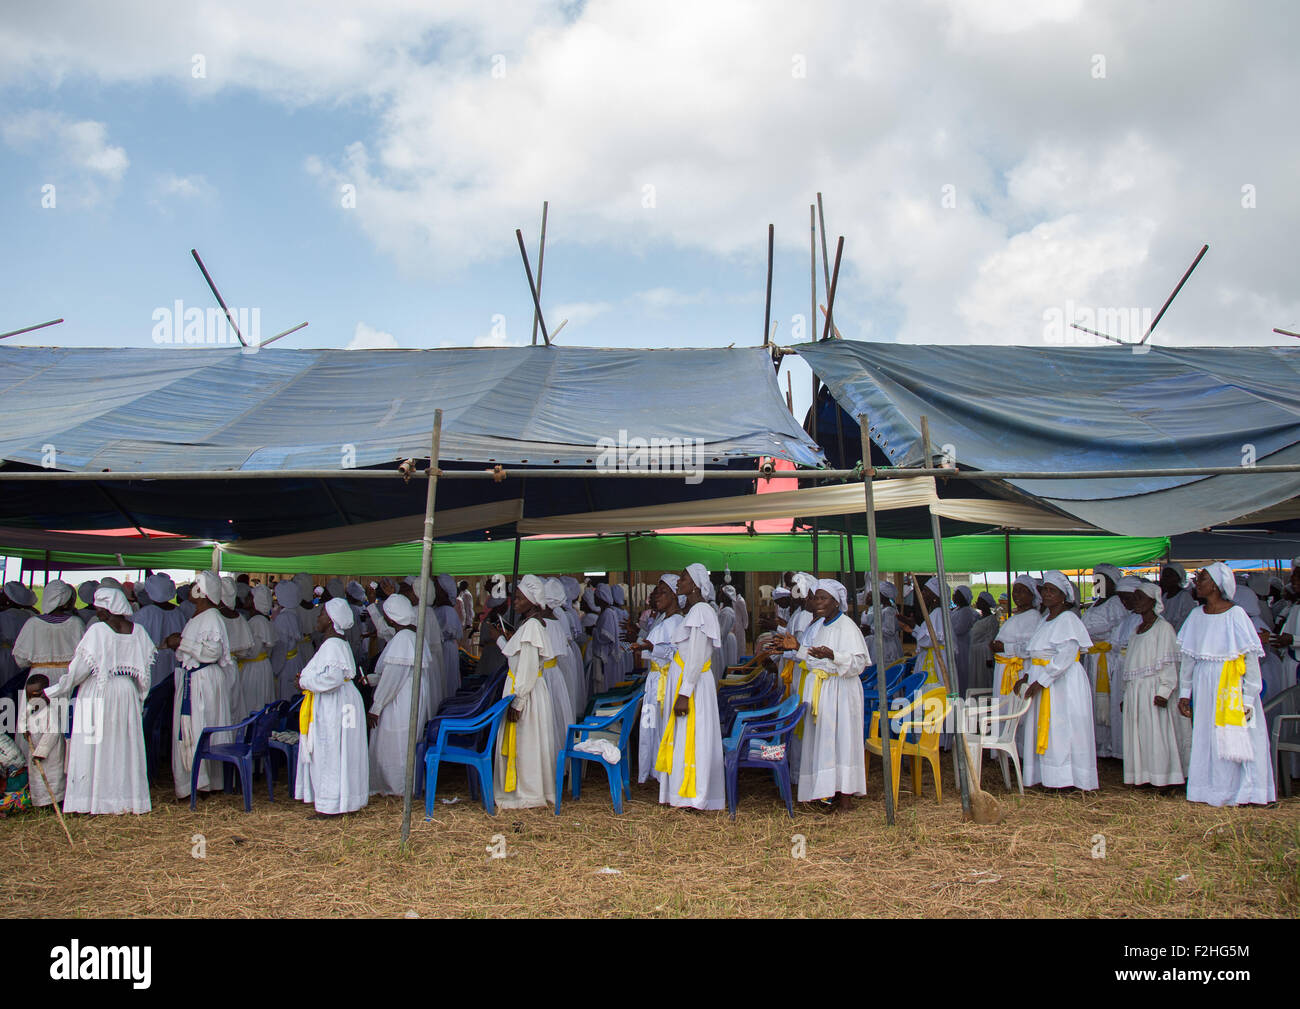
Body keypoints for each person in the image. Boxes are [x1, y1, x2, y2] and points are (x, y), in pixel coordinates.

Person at [48, 587, 154, 814]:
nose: (97, 613)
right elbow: (145, 675)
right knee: (122, 745)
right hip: (126, 692)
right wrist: (139, 697)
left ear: (106, 609)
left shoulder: (98, 631)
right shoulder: (139, 632)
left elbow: (80, 669)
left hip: (99, 690)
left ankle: (91, 801)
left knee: (93, 744)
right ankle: (124, 800)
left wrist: (59, 689)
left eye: (99, 609)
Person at [1176, 563, 1275, 807]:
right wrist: (1184, 693)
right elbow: (1188, 658)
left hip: (1231, 686)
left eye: (1204, 579)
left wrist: (1249, 697)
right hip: (1204, 683)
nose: (1198, 583)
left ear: (1218, 585)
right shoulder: (1196, 616)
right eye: (1198, 578)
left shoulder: (1237, 615)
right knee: (1209, 737)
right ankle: (1211, 791)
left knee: (1239, 739)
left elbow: (1250, 661)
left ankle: (1246, 793)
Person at [773, 578, 866, 810]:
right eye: (815, 598)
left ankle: (845, 798)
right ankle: (826, 793)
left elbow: (858, 662)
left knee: (842, 742)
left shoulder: (847, 626)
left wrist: (834, 656)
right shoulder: (820, 626)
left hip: (841, 691)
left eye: (823, 598)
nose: (817, 603)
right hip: (823, 692)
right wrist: (797, 648)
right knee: (825, 743)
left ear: (836, 602)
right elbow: (815, 656)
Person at [1015, 570, 1098, 791]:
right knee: (1046, 729)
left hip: (1062, 683)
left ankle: (1067, 779)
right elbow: (1037, 653)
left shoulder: (1068, 619)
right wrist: (1026, 676)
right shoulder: (1044, 620)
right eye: (1045, 590)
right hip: (1043, 678)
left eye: (1053, 591)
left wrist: (1041, 680)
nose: (1047, 594)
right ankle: (1047, 777)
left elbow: (1066, 655)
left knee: (1063, 728)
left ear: (1064, 596)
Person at [655, 563, 725, 811]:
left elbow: (696, 657)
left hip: (691, 685)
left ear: (695, 584)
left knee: (691, 737)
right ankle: (680, 794)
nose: (678, 582)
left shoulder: (701, 612)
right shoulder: (694, 611)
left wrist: (685, 693)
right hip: (685, 680)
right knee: (683, 736)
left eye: (683, 578)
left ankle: (692, 795)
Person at [295, 599, 368, 816]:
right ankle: (342, 799)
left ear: (331, 619)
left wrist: (304, 682)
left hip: (335, 704)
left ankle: (330, 803)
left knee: (330, 749)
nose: (318, 618)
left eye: (321, 615)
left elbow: (332, 679)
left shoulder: (333, 645)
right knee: (341, 748)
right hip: (342, 702)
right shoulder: (337, 644)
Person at [490, 575, 557, 810]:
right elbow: (519, 659)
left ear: (531, 600)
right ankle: (525, 791)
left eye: (519, 598)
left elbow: (527, 669)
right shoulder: (530, 626)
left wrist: (518, 702)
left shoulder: (531, 628)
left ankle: (526, 794)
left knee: (525, 743)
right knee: (527, 743)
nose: (514, 601)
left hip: (526, 695)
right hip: (527, 692)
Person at [168, 571, 236, 800]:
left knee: (200, 728)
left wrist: (182, 643)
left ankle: (202, 783)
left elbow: (212, 652)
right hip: (193, 680)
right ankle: (194, 783)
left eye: (195, 584)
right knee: (191, 729)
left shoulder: (212, 618)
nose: (190, 587)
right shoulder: (198, 616)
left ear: (202, 591)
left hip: (203, 681)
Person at [367, 594, 437, 795]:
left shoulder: (403, 639)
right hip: (409, 695)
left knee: (394, 742)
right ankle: (404, 783)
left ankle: (396, 786)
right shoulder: (413, 636)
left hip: (400, 699)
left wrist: (376, 706)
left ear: (391, 618)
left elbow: (392, 679)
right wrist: (372, 679)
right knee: (405, 741)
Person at [1119, 580, 1184, 787]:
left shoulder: (1164, 628)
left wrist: (1165, 691)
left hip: (1154, 690)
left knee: (1158, 735)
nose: (1135, 601)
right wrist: (1125, 693)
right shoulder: (1136, 630)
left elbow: (1170, 661)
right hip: (1136, 690)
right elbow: (1130, 664)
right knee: (1140, 736)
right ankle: (1144, 777)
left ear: (1152, 601)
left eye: (1140, 598)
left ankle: (1164, 779)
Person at [630, 575, 683, 785]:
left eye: (662, 592)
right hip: (654, 680)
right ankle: (652, 770)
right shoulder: (663, 619)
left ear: (674, 596)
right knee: (651, 727)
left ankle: (664, 774)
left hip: (665, 681)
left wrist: (652, 648)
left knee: (661, 726)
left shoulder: (678, 622)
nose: (656, 597)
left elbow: (679, 653)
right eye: (655, 592)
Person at [12, 580, 84, 707]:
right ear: (66, 600)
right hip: (66, 678)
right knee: (63, 716)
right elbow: (84, 657)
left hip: (37, 677)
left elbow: (20, 659)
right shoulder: (76, 623)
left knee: (37, 718)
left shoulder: (33, 623)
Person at [1082, 563, 1128, 759]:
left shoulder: (1117, 603)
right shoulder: (1094, 604)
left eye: (1103, 579)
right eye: (1096, 579)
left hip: (1108, 658)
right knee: (1094, 701)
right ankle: (1100, 745)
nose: (1098, 583)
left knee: (1108, 701)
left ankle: (1112, 746)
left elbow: (1117, 629)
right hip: (1093, 657)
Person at [990, 575, 1043, 698]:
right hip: (1004, 669)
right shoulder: (1017, 615)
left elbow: (1030, 648)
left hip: (1018, 670)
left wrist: (1004, 648)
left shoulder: (1033, 617)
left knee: (1013, 703)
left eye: (1022, 591)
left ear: (1032, 595)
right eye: (1015, 591)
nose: (1017, 595)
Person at [21, 673, 65, 808]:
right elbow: (23, 719)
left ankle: (55, 802)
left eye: (35, 695)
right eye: (29, 696)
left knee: (52, 777)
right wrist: (24, 729)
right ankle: (41, 803)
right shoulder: (30, 708)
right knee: (37, 779)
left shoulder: (50, 712)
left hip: (49, 754)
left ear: (44, 694)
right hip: (34, 748)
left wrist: (41, 752)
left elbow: (52, 733)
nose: (31, 699)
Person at [270, 580, 307, 703]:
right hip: (296, 659)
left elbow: (281, 647)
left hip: (286, 663)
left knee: (286, 695)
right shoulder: (295, 613)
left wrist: (275, 669)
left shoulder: (282, 618)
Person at [858, 580, 903, 669]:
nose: (868, 597)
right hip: (872, 645)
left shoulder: (888, 611)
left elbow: (889, 631)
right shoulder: (872, 610)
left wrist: (871, 629)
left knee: (884, 670)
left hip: (885, 647)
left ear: (882, 596)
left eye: (871, 594)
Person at [966, 591, 1000, 692]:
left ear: (986, 603)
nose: (978, 603)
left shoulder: (991, 620)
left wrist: (988, 657)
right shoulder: (979, 618)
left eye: (981, 601)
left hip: (985, 655)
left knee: (984, 677)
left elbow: (991, 638)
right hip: (975, 653)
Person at [948, 586, 977, 692]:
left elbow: (960, 629)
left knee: (962, 672)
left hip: (962, 646)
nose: (953, 596)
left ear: (963, 597)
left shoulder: (966, 611)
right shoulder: (956, 609)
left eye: (956, 594)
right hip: (956, 645)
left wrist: (947, 630)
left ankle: (963, 696)